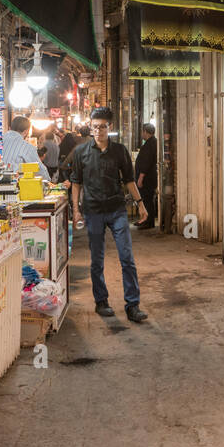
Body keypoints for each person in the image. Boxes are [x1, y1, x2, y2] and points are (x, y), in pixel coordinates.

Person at [69, 106, 149, 321]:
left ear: (109, 127)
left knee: (127, 258)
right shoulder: (81, 152)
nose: (98, 131)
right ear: (90, 127)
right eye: (95, 127)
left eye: (103, 127)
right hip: (93, 211)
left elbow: (129, 181)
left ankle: (133, 305)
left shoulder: (120, 151)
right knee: (97, 259)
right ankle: (101, 301)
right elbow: (76, 183)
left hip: (117, 210)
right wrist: (76, 210)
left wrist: (140, 204)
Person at [1, 115, 49, 180]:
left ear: (9, 128)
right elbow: (41, 171)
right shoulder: (26, 147)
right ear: (26, 131)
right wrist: (48, 181)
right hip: (14, 185)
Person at [134, 123, 158, 230]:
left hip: (147, 179)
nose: (141, 134)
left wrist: (140, 178)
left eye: (142, 131)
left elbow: (146, 163)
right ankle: (147, 220)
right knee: (147, 199)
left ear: (145, 132)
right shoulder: (152, 142)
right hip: (149, 177)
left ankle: (147, 221)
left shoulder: (150, 144)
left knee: (146, 200)